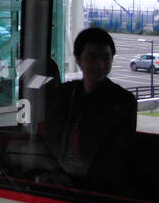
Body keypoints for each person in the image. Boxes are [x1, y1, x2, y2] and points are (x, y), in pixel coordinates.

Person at [41, 26, 137, 193]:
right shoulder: (65, 94)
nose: (100, 65)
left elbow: (117, 153)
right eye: (92, 57)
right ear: (78, 59)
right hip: (60, 178)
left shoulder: (122, 101)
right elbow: (51, 137)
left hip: (97, 186)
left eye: (106, 58)